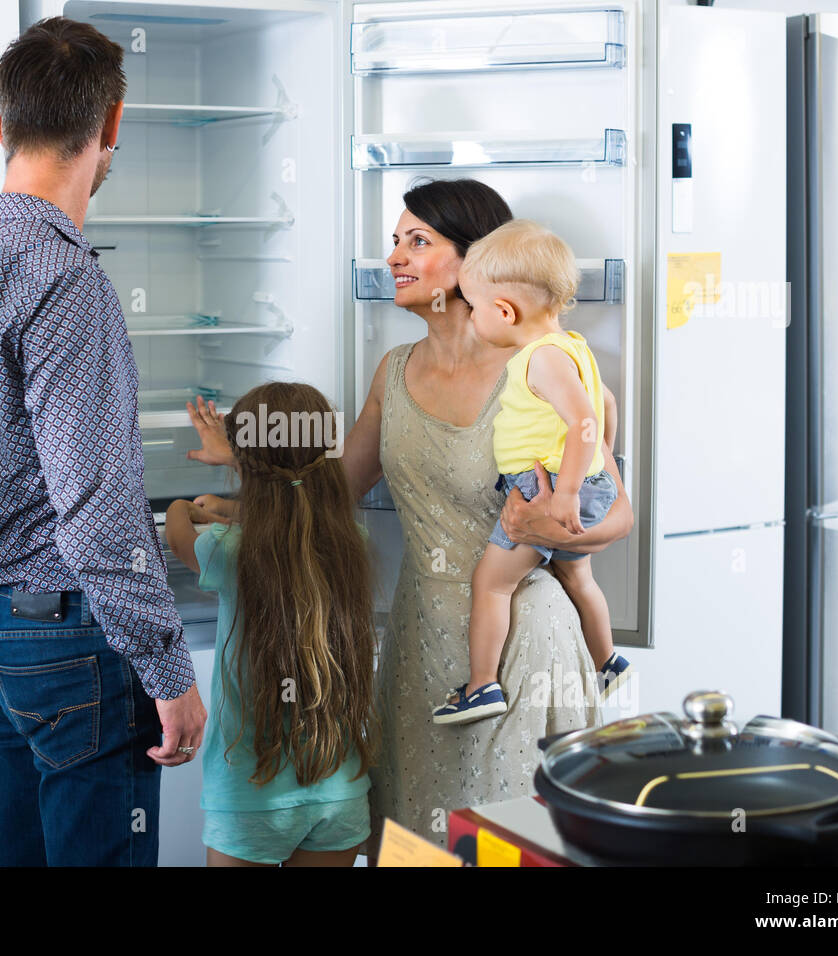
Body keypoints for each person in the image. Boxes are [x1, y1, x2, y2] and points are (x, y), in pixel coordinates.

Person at [185, 179, 633, 857]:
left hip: (524, 643)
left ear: (475, 260)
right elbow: (330, 488)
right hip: (420, 644)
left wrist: (550, 529)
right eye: (395, 242)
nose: (394, 256)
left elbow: (618, 513)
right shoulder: (394, 371)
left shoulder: (543, 369)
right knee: (414, 847)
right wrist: (245, 474)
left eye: (417, 241)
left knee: (509, 845)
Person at [0, 17, 205, 867]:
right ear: (111, 127)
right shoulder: (67, 279)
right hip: (71, 639)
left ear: (0, 126)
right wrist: (169, 673)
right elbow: (94, 512)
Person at [166, 383, 376, 867]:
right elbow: (295, 512)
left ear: (245, 463)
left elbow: (179, 535)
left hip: (250, 795)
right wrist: (240, 478)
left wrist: (186, 506)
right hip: (339, 793)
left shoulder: (228, 549)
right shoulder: (352, 542)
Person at [433, 220, 630, 727]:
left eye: (473, 307)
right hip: (583, 485)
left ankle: (481, 686)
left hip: (542, 491)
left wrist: (566, 494)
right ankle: (608, 661)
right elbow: (604, 404)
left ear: (504, 311)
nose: (471, 316)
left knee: (492, 585)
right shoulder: (572, 347)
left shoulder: (538, 358)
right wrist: (596, 467)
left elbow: (584, 418)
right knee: (577, 574)